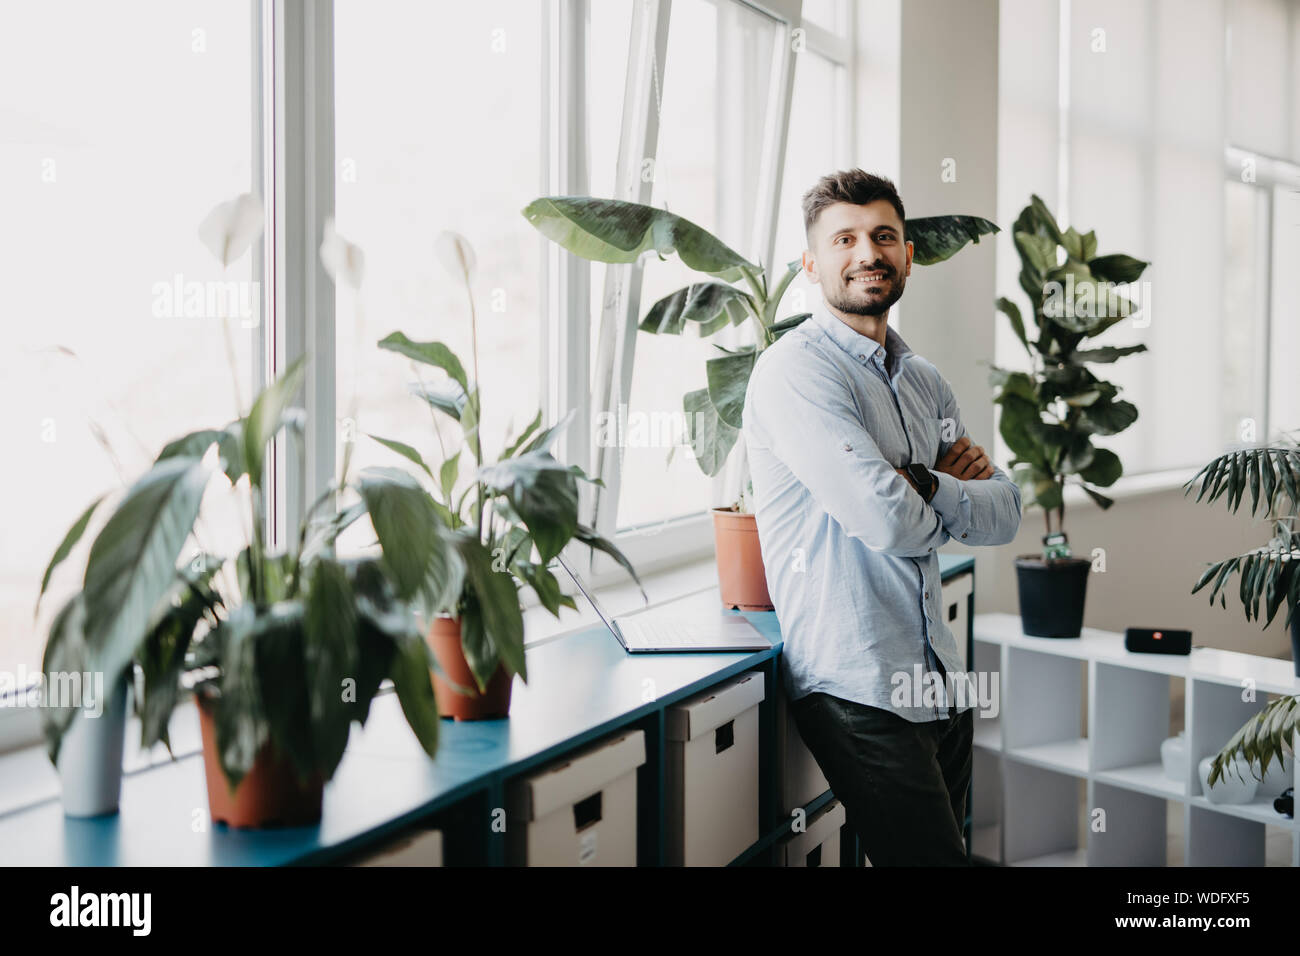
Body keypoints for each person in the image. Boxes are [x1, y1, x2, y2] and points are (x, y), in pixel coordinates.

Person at [742, 169, 1023, 866]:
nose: (868, 252)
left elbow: (1007, 511)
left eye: (884, 236)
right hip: (858, 684)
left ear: (907, 255)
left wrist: (923, 482)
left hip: (938, 680)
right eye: (845, 239)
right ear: (812, 265)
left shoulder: (922, 379)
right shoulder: (796, 372)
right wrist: (947, 498)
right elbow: (887, 521)